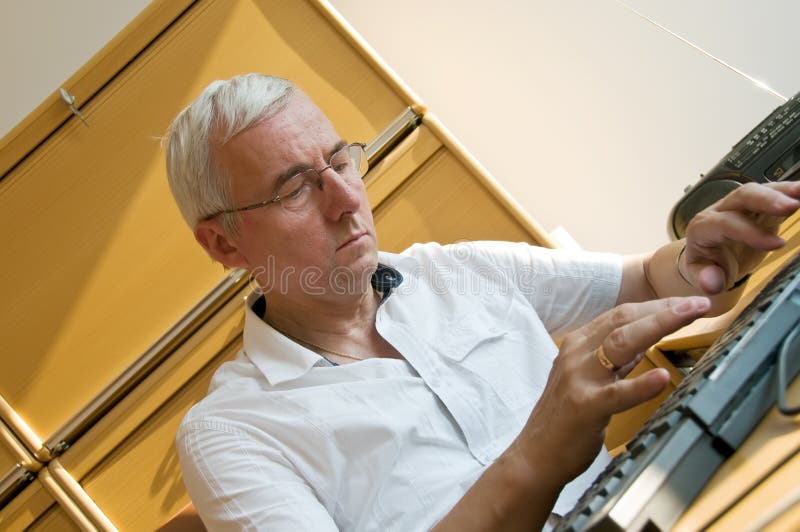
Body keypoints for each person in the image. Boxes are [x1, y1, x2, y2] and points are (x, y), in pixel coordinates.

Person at [165, 74, 800, 531]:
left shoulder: (456, 271)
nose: (345, 199)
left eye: (341, 162)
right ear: (224, 242)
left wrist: (701, 258)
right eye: (296, 189)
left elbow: (650, 280)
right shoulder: (231, 434)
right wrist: (538, 455)